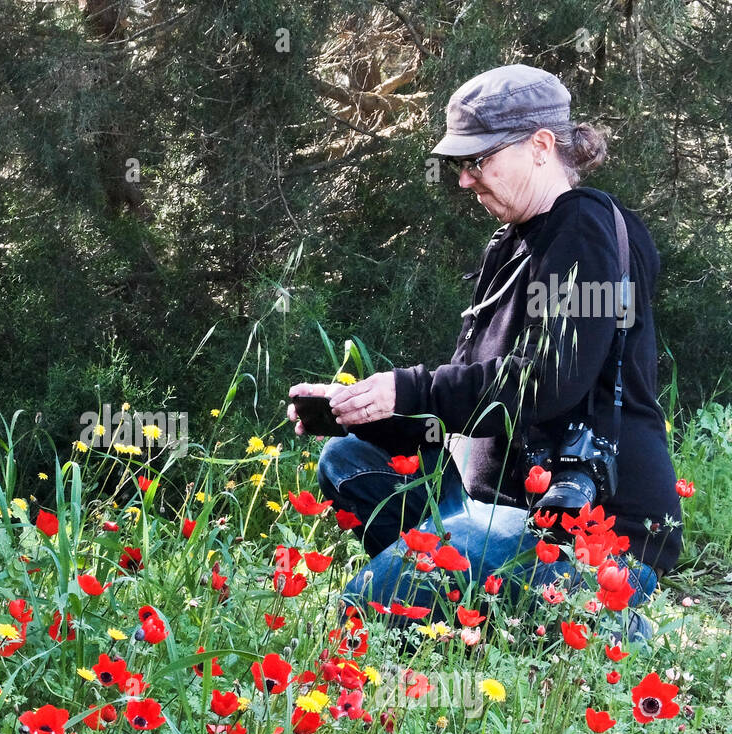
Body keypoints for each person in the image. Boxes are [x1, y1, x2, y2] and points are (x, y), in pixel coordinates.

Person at [287, 64, 683, 639]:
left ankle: (606, 622)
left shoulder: (586, 229)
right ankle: (481, 606)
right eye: (460, 164)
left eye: (479, 160)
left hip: (592, 532)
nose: (466, 180)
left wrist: (411, 387)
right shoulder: (515, 242)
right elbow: (474, 399)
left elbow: (549, 381)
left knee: (362, 613)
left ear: (541, 146)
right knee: (349, 460)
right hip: (489, 510)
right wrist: (373, 410)